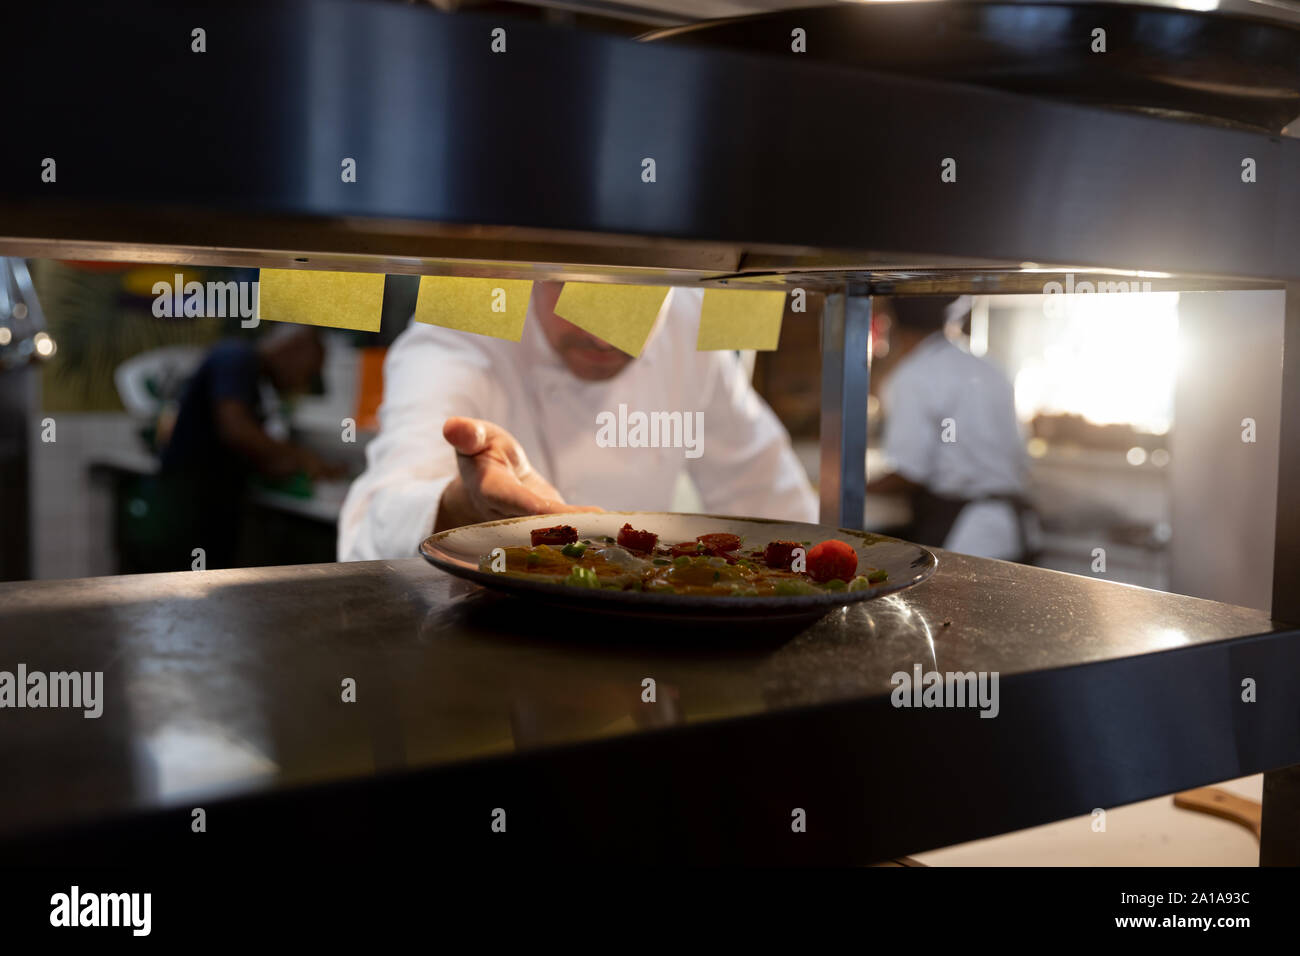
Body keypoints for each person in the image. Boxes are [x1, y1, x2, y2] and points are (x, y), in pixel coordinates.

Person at [339, 281, 817, 560]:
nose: (603, 334)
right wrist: (461, 508)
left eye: (637, 293)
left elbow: (770, 498)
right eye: (572, 285)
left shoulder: (689, 319)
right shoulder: (464, 321)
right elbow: (367, 537)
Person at [158, 325, 342, 567]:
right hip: (190, 503)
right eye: (308, 374)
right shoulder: (236, 357)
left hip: (209, 503)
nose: (302, 384)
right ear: (296, 350)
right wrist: (300, 458)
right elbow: (236, 429)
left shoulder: (254, 376)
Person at [868, 295, 1035, 562]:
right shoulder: (988, 365)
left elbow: (910, 472)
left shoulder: (913, 376)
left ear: (891, 325)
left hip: (967, 537)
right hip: (1015, 529)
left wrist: (849, 489)